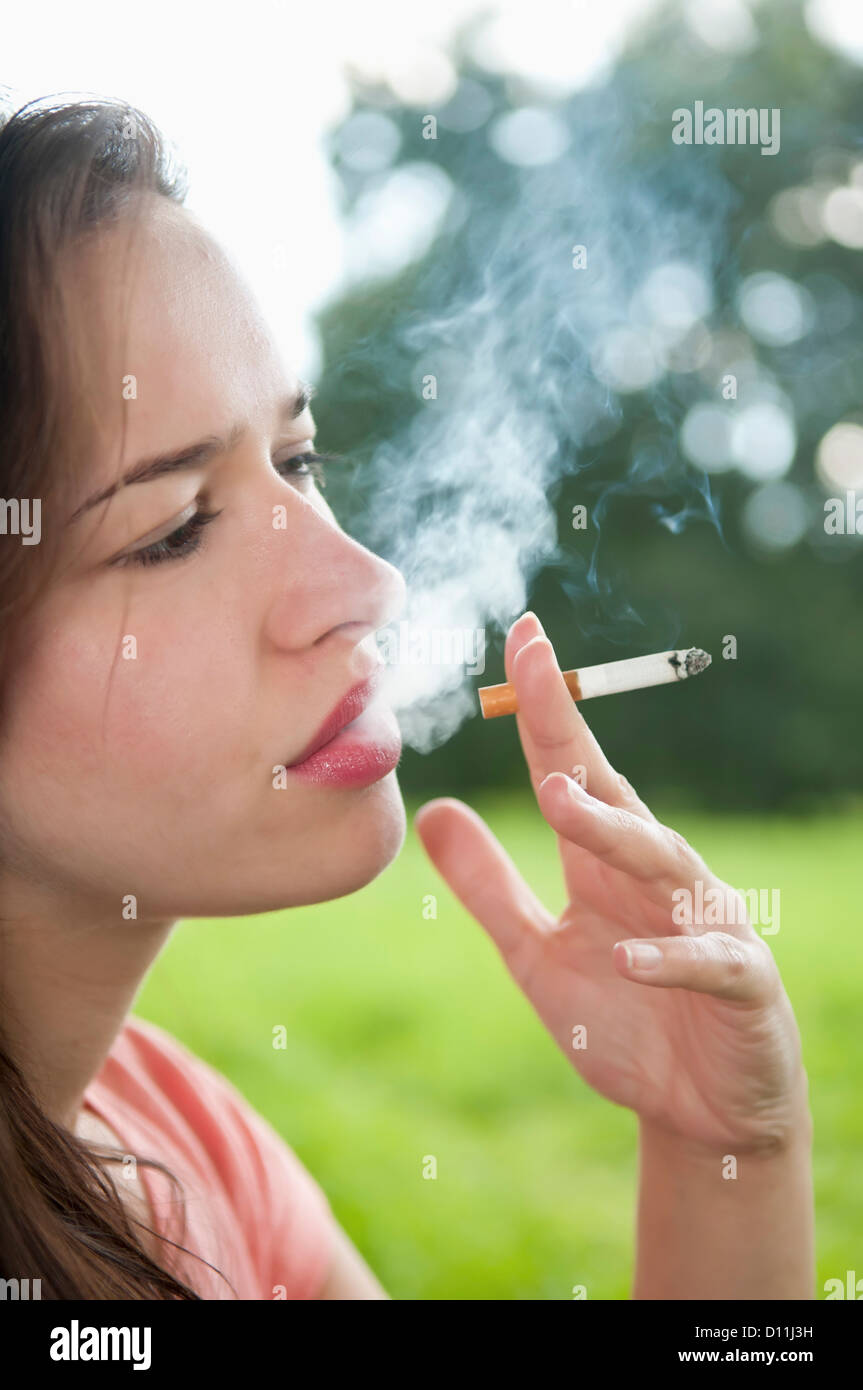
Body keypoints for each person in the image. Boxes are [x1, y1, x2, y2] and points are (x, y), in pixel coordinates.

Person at [0, 95, 813, 1301]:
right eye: (174, 532)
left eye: (297, 462)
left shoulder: (183, 1149)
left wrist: (722, 1153)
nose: (364, 582)